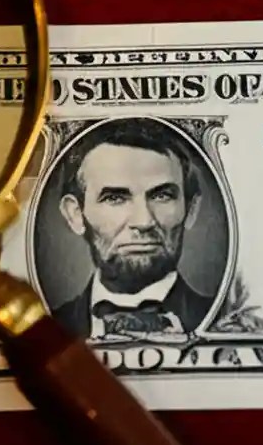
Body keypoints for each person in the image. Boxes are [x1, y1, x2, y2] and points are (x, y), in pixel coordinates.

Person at [50, 118, 214, 340]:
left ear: (191, 209)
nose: (143, 221)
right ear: (75, 214)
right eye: (115, 198)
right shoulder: (47, 329)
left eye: (162, 196)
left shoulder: (226, 318)